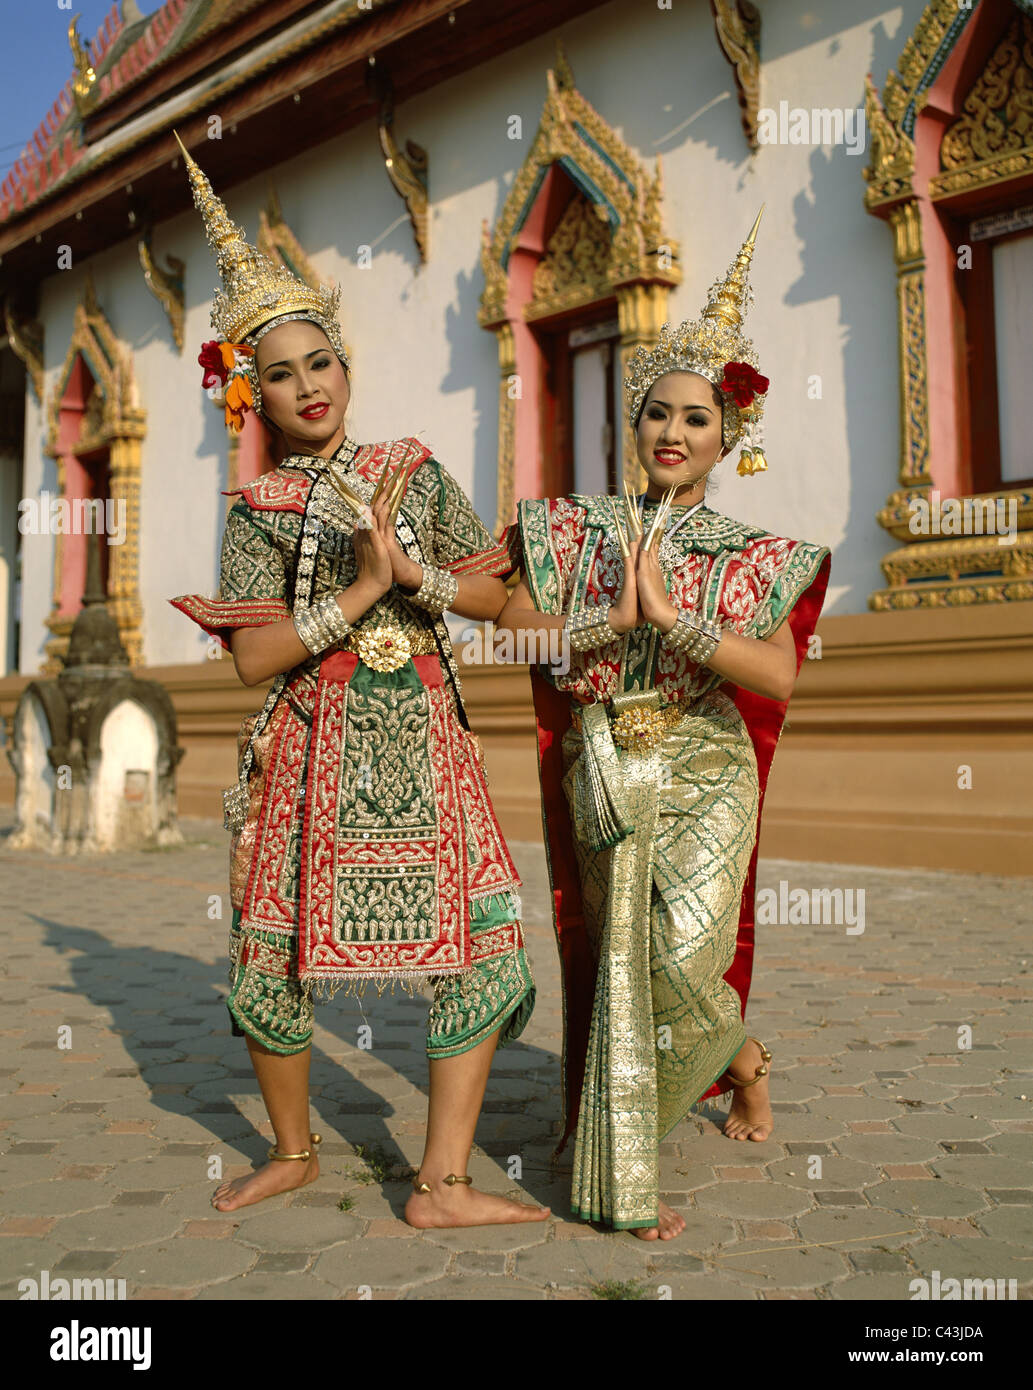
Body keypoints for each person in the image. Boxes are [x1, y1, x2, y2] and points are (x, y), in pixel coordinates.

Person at [168, 135, 546, 1228]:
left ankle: (441, 1181)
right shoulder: (255, 512)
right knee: (269, 955)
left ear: (345, 363)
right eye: (278, 374)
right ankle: (292, 1149)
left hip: (425, 732)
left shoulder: (412, 471)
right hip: (309, 739)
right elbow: (251, 659)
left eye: (318, 363)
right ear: (253, 394)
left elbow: (507, 601)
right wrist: (356, 590)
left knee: (478, 946)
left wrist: (415, 572)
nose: (306, 387)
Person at [493, 210, 830, 1239]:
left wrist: (678, 624)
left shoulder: (752, 550)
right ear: (630, 428)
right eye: (655, 414)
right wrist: (609, 615)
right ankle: (627, 1178)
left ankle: (742, 1063)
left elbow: (778, 673)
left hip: (705, 756)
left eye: (695, 417)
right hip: (603, 753)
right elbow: (509, 637)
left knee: (687, 953)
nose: (673, 432)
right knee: (625, 963)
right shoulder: (572, 529)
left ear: (729, 437)